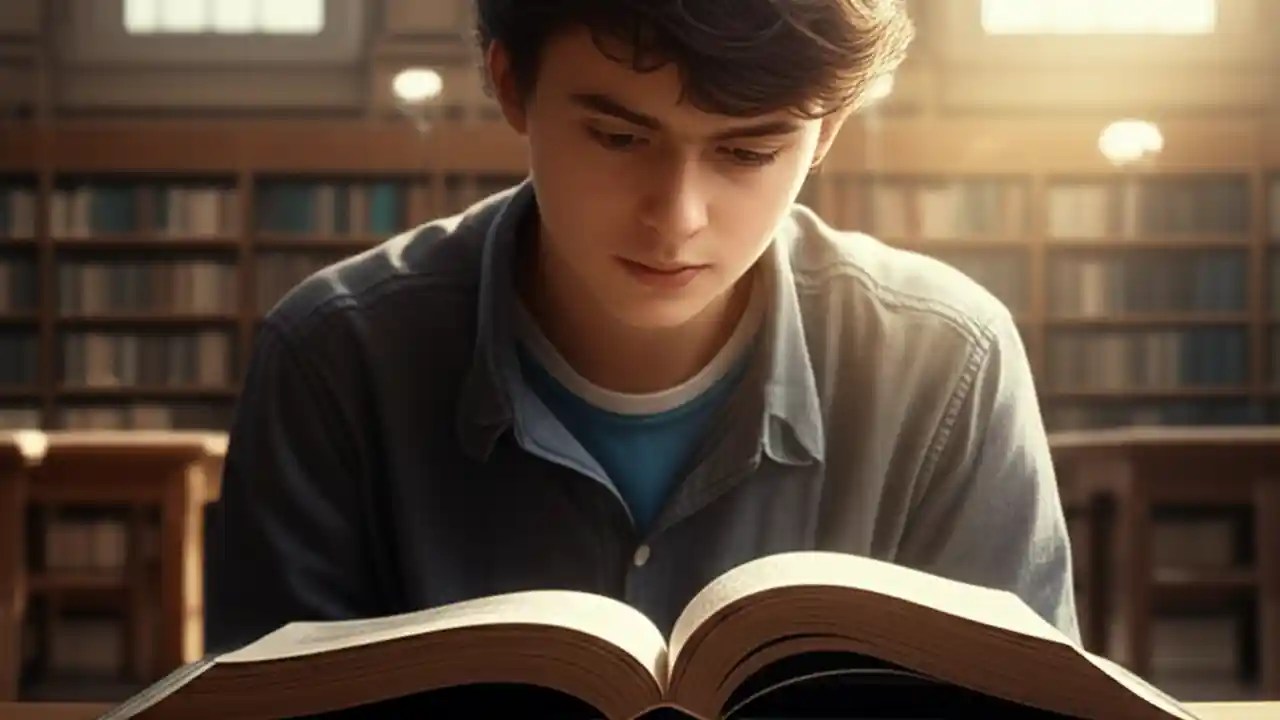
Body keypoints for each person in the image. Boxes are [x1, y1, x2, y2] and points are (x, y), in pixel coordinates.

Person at [205, 0, 1079, 655]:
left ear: (827, 134)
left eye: (745, 152)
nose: (678, 218)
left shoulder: (948, 364)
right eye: (619, 138)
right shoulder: (333, 359)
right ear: (511, 85)